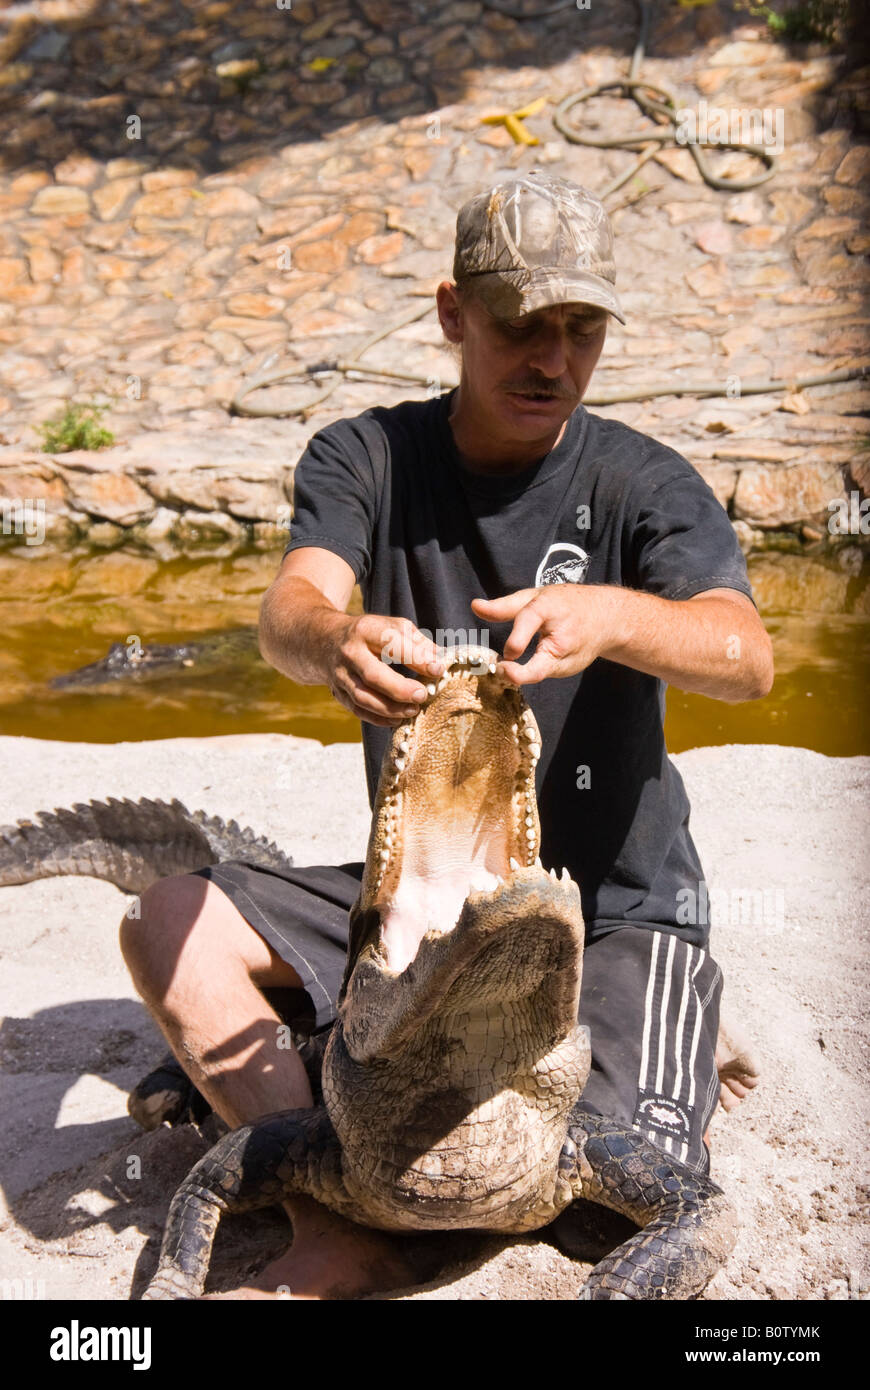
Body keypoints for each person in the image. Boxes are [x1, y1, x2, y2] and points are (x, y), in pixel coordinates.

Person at [121, 172, 772, 1299]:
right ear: (451, 313)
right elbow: (289, 611)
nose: (555, 361)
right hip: (419, 907)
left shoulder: (642, 481)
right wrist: (333, 639)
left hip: (611, 913)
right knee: (165, 915)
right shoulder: (364, 456)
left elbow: (747, 658)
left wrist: (612, 615)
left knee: (602, 1204)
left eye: (584, 330)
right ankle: (342, 1196)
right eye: (523, 325)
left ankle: (674, 1025)